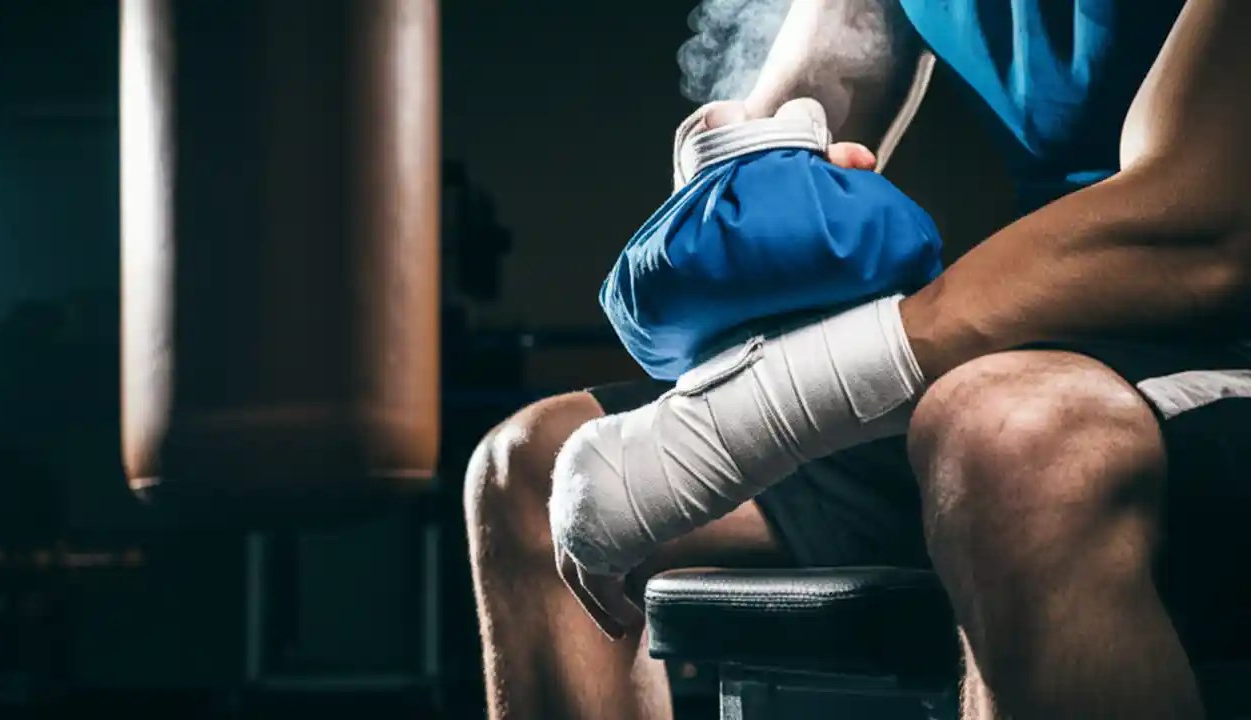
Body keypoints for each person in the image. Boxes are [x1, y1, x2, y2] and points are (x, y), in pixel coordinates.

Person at [464, 1, 1251, 717]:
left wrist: (741, 418)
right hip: (1061, 352)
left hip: (1221, 345)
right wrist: (732, 188)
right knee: (530, 470)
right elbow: (803, 102)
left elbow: (1200, 229)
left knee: (1005, 431)